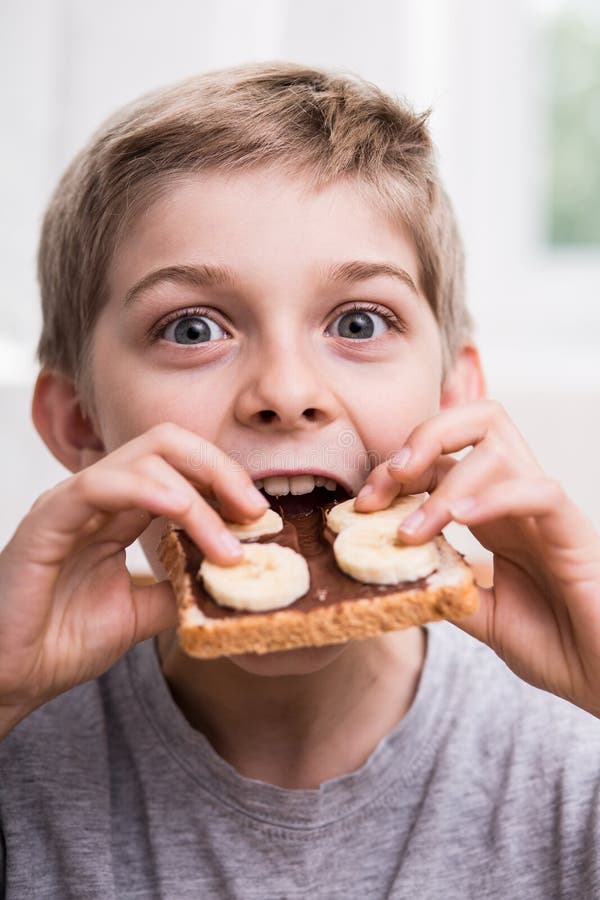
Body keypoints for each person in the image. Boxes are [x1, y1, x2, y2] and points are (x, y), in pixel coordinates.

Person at [1, 60, 599, 899]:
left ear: (453, 397)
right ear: (80, 424)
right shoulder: (19, 749)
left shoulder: (574, 762)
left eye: (359, 321)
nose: (285, 393)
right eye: (191, 327)